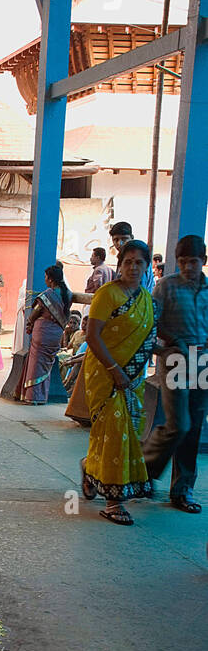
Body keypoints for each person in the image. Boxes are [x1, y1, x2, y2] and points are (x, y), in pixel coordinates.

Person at [80, 238, 156, 526]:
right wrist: (115, 370)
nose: (133, 268)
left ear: (147, 266)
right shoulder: (107, 295)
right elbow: (92, 337)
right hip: (105, 373)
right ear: (119, 265)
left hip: (133, 376)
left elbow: (149, 340)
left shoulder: (147, 300)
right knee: (114, 431)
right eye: (128, 262)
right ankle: (114, 501)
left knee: (123, 432)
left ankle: (89, 467)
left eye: (139, 263)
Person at [142, 234, 207, 514]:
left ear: (203, 261)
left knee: (193, 430)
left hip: (203, 363)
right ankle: (141, 472)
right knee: (178, 425)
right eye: (182, 262)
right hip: (175, 361)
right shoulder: (165, 288)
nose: (188, 267)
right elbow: (149, 323)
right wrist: (169, 343)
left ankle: (182, 490)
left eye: (193, 262)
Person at [15, 262, 71, 403]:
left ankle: (33, 396)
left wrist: (29, 324)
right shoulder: (68, 294)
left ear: (51, 279)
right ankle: (41, 396)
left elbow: (34, 314)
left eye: (46, 277)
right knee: (47, 364)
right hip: (56, 333)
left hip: (43, 333)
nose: (45, 279)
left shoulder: (47, 295)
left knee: (36, 364)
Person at [110, 221, 154, 293]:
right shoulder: (122, 258)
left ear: (132, 238)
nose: (120, 243)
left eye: (124, 239)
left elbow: (137, 290)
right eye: (116, 240)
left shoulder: (139, 257)